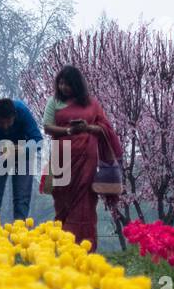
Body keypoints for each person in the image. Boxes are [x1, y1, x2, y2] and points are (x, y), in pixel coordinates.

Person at [42, 65, 122, 252]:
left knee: (84, 202)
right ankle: (61, 247)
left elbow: (103, 128)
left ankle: (82, 249)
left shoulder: (92, 104)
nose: (63, 87)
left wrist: (86, 127)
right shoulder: (53, 102)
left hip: (86, 158)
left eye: (67, 84)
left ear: (76, 85)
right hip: (61, 157)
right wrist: (69, 130)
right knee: (62, 202)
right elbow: (47, 127)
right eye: (60, 83)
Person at [0, 97, 43, 224]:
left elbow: (38, 140)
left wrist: (24, 149)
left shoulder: (22, 111)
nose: (5, 127)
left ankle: (20, 232)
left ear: (15, 116)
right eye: (1, 123)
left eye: (9, 122)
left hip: (23, 153)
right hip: (0, 156)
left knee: (22, 198)